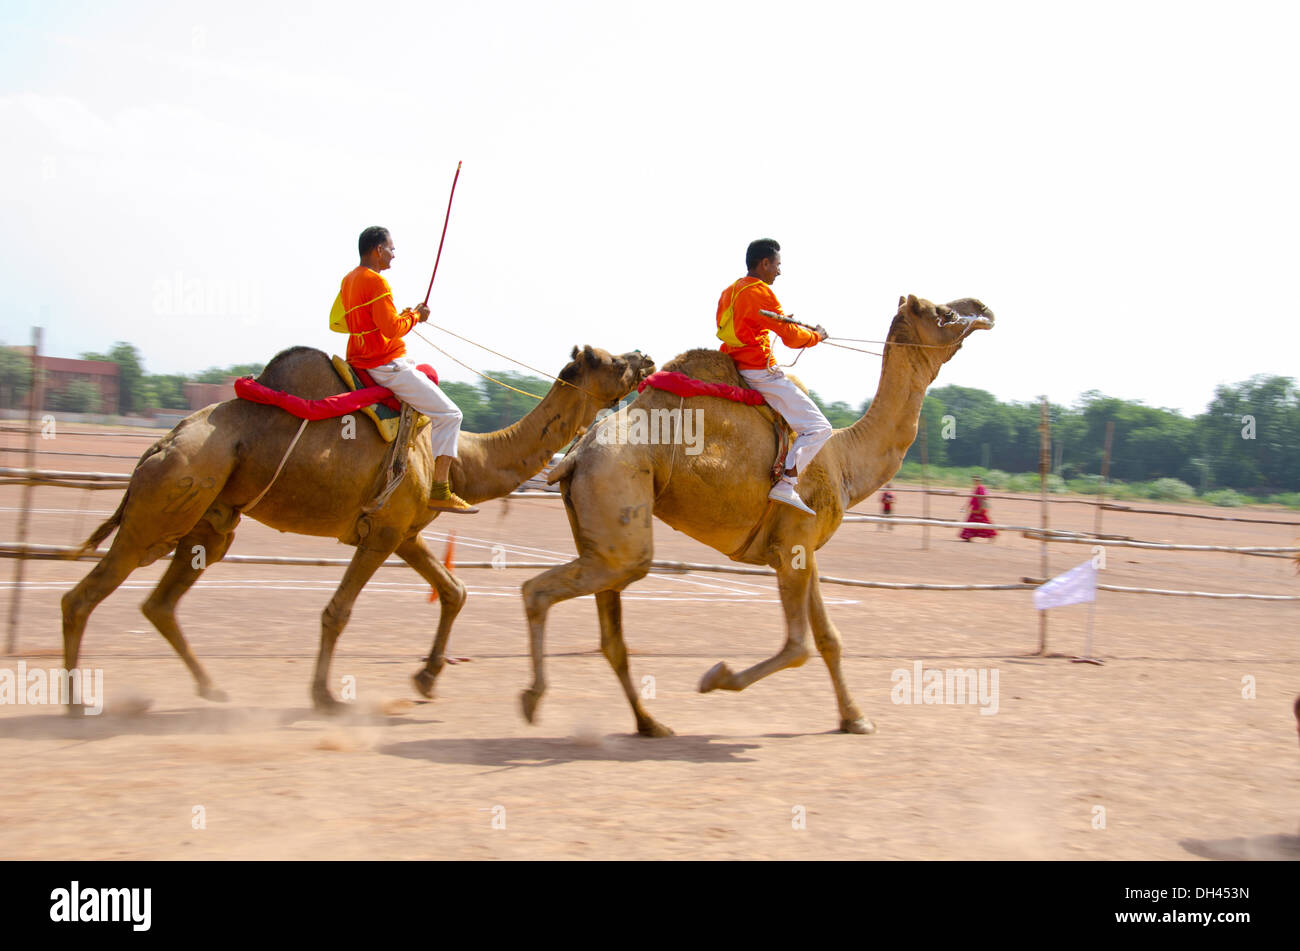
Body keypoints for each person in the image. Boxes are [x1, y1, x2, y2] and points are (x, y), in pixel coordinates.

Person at [337, 225, 477, 513]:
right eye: (391, 248)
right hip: (384, 365)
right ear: (378, 250)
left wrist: (406, 316)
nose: (393, 254)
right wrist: (416, 316)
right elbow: (391, 329)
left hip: (361, 358)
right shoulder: (376, 282)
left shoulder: (349, 279)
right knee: (451, 414)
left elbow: (373, 322)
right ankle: (440, 488)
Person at [717, 238, 831, 516]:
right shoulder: (761, 292)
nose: (779, 271)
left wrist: (777, 319)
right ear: (764, 263)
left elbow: (744, 325)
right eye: (777, 265)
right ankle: (786, 483)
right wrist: (817, 336)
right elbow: (792, 339)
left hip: (733, 366)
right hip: (759, 372)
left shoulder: (729, 291)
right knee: (819, 428)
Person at [959, 475, 997, 541]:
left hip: (979, 509)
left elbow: (983, 498)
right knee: (971, 522)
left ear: (980, 481)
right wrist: (966, 506)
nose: (975, 481)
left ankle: (992, 535)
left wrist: (980, 508)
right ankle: (968, 537)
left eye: (977, 480)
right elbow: (972, 498)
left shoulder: (981, 488)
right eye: (974, 480)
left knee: (983, 522)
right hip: (974, 508)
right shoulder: (975, 488)